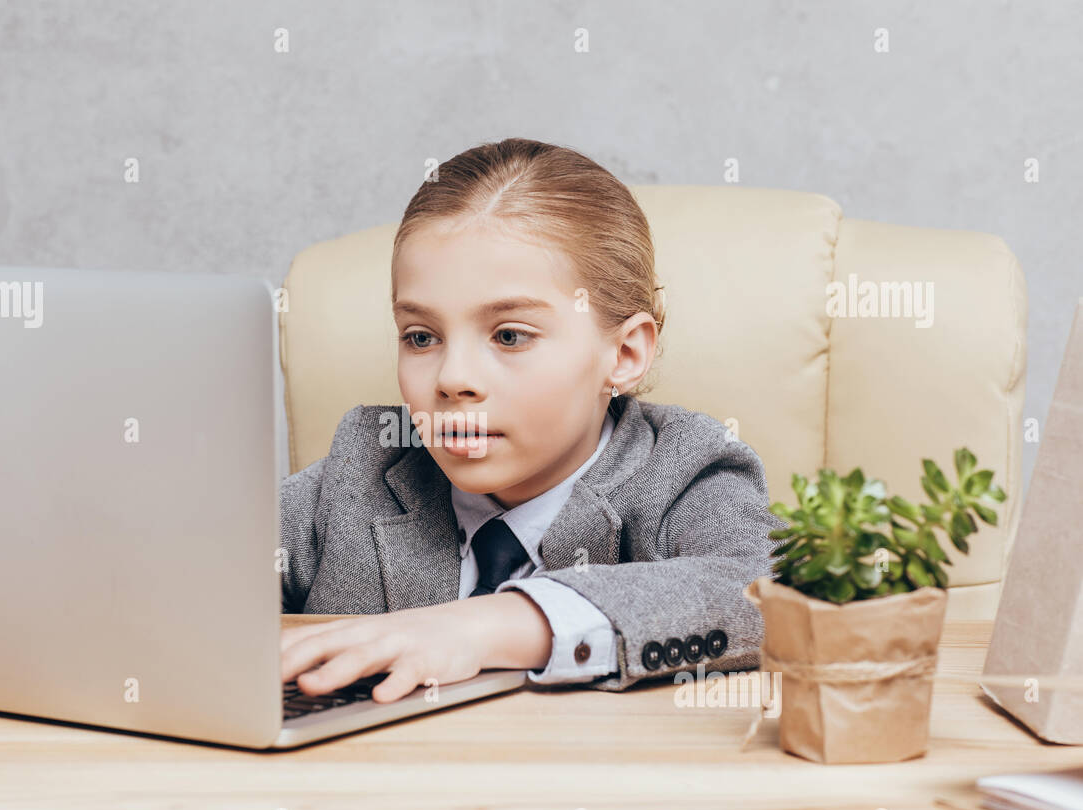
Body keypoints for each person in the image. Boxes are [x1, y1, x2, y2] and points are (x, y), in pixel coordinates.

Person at [280, 137, 783, 703]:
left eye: (509, 335)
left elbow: (763, 594)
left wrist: (489, 624)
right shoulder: (364, 469)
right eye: (421, 337)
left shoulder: (684, 470)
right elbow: (191, 571)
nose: (451, 378)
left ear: (624, 355)